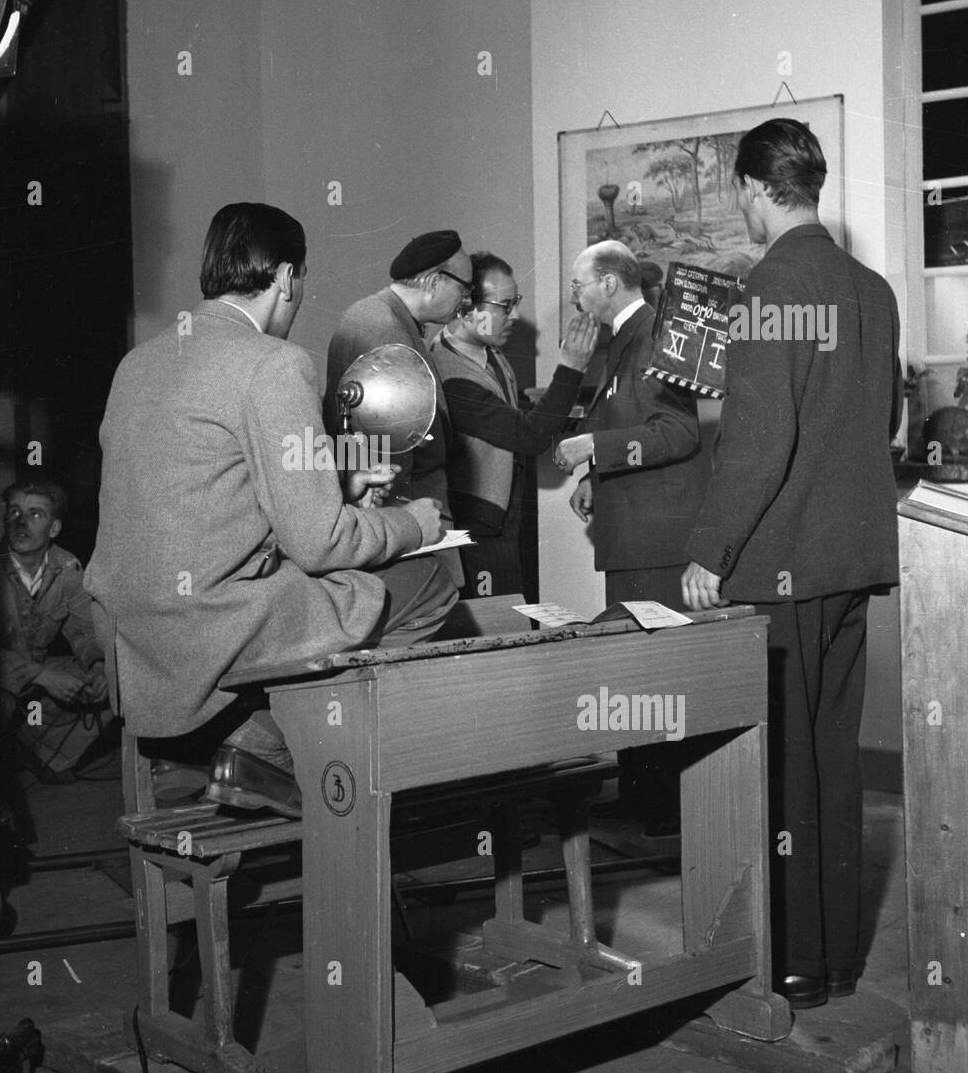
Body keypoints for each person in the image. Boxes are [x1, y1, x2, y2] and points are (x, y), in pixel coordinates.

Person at [85, 203, 456, 817]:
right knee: (429, 583)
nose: (302, 293)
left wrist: (337, 481)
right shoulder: (273, 363)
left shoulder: (141, 360)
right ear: (285, 276)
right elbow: (318, 544)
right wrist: (412, 523)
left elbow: (198, 495)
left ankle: (236, 743)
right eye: (303, 279)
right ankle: (275, 747)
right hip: (210, 624)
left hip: (132, 631)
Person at [681, 118, 901, 1010]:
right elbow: (876, 419)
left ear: (755, 187)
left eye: (738, 190)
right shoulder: (873, 288)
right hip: (852, 557)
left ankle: (792, 967)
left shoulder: (768, 285)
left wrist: (707, 550)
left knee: (782, 769)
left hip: (778, 561)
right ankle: (838, 959)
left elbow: (760, 444)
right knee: (834, 759)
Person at [554, 240, 709, 838]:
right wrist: (598, 474)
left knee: (653, 673)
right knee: (634, 669)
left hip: (655, 539)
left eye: (579, 284)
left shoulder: (650, 335)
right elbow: (633, 423)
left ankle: (665, 808)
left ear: (611, 285)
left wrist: (593, 449)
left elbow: (676, 432)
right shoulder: (624, 338)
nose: (573, 295)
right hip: (634, 533)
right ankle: (642, 796)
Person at [428, 252, 597, 598]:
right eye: (505, 305)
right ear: (465, 307)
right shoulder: (447, 373)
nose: (516, 315)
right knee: (503, 624)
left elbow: (515, 416)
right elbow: (528, 435)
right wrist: (572, 367)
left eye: (515, 302)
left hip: (505, 523)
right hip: (479, 533)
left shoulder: (491, 355)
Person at [325, 229, 474, 589]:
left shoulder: (377, 316)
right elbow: (382, 448)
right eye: (464, 289)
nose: (467, 302)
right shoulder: (384, 329)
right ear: (435, 282)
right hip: (405, 514)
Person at [0, 473, 110, 784]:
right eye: (14, 512)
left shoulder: (67, 568)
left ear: (54, 528)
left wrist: (99, 665)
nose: (21, 522)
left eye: (35, 513)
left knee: (116, 683)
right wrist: (43, 676)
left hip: (34, 671)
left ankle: (45, 756)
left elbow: (84, 632)